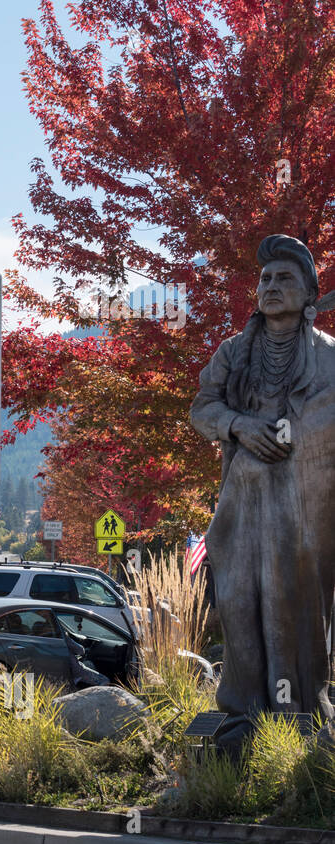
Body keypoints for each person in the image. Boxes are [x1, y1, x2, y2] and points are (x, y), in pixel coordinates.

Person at [190, 234, 335, 755]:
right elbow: (201, 409)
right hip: (241, 505)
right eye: (266, 278)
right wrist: (238, 426)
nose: (271, 286)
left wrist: (291, 434)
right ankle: (241, 713)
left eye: (285, 278)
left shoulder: (327, 359)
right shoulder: (234, 351)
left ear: (309, 293)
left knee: (292, 602)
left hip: (302, 510)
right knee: (236, 598)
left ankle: (297, 714)